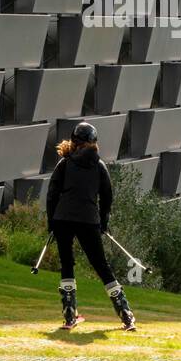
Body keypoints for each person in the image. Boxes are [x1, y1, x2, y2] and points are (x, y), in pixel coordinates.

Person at [45, 122, 136, 331]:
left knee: (66, 263)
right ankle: (125, 314)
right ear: (94, 143)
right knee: (101, 266)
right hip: (88, 220)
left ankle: (69, 315)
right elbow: (107, 198)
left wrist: (52, 224)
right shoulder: (99, 166)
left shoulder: (65, 164)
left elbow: (52, 195)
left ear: (74, 142)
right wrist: (103, 223)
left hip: (63, 219)